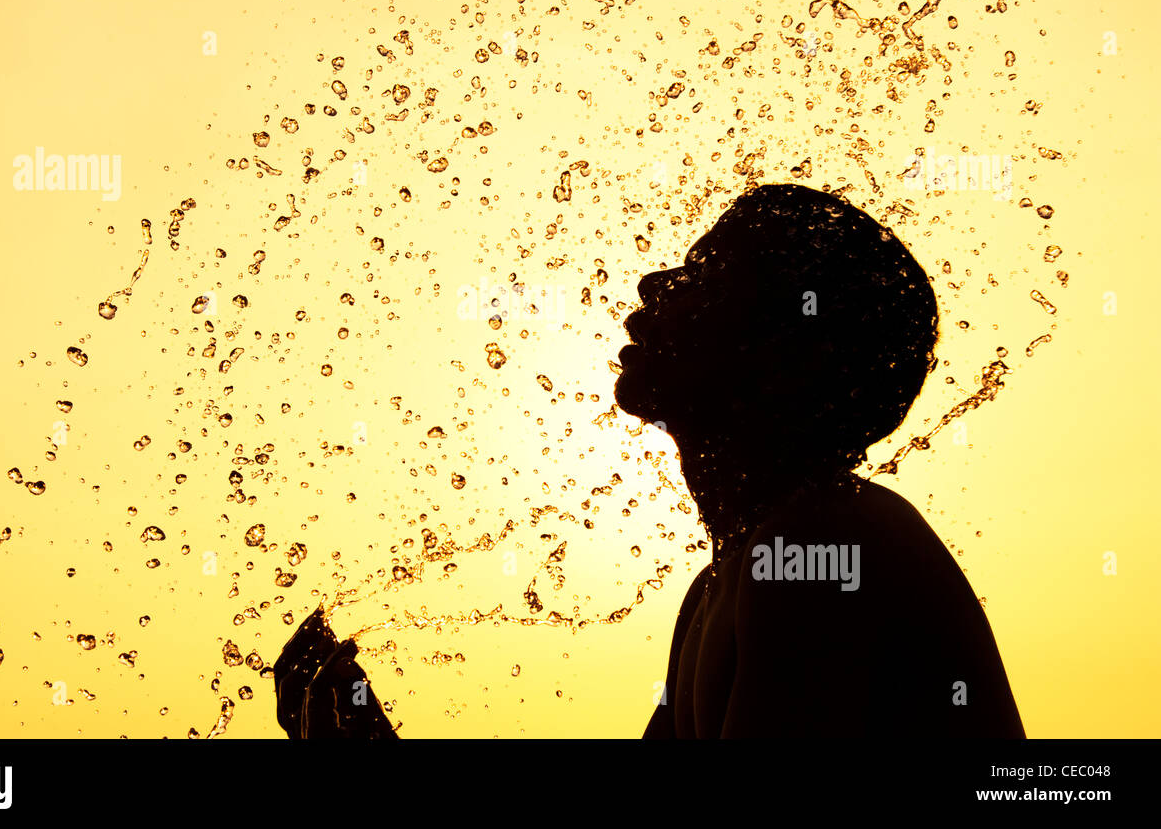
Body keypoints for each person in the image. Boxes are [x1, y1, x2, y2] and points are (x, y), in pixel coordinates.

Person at [274, 182, 1025, 738]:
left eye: (708, 274)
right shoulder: (722, 586)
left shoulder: (820, 559)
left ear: (791, 363)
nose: (653, 283)